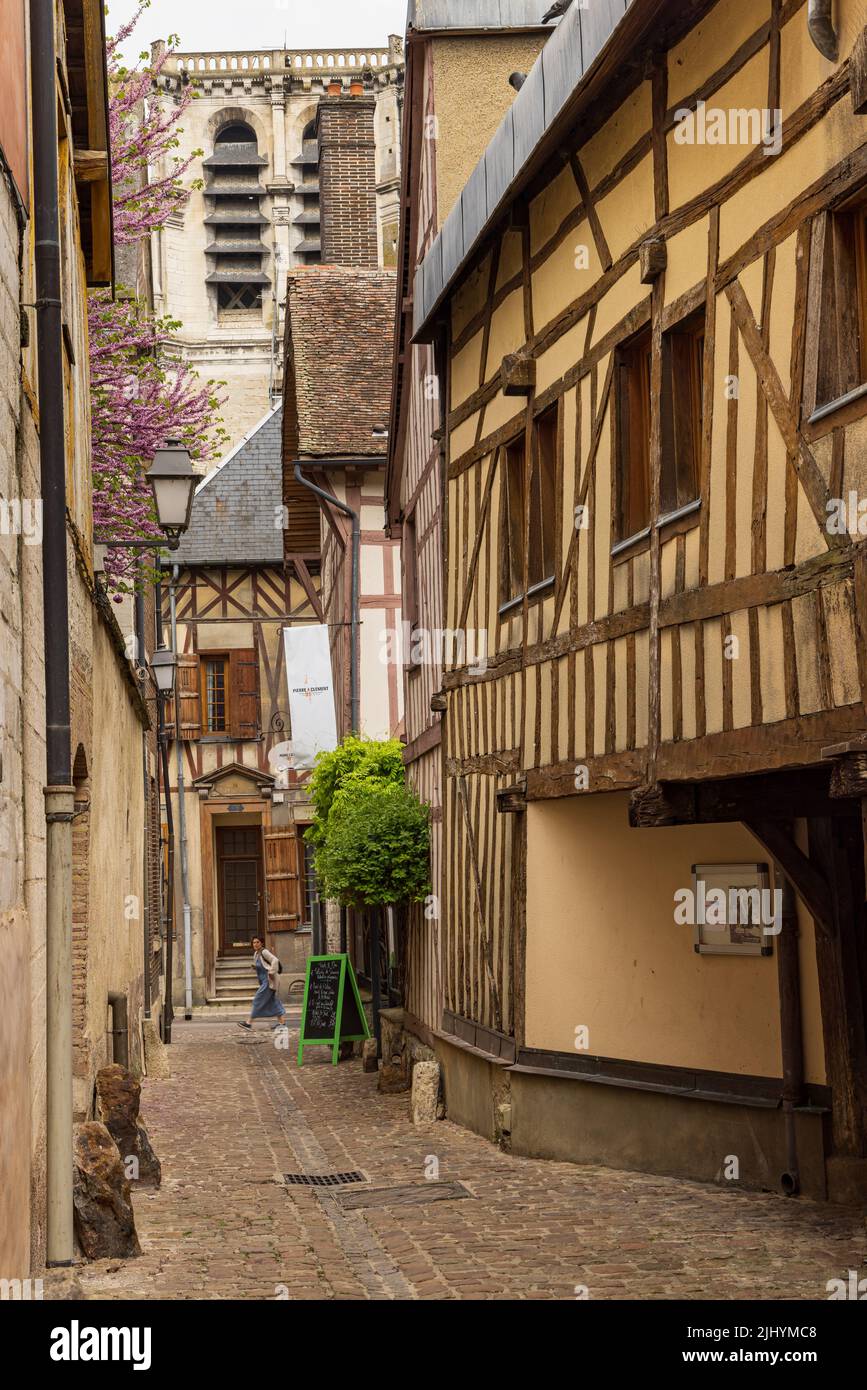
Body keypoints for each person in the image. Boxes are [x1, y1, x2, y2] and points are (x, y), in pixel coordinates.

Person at [237, 936, 287, 1032]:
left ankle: (248, 1023)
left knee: (257, 999)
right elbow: (264, 965)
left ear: (261, 943)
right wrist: (256, 967)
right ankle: (282, 1024)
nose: (255, 944)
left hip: (269, 981)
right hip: (264, 981)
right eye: (254, 942)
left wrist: (271, 972)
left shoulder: (264, 952)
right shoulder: (256, 954)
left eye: (257, 942)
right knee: (273, 1002)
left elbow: (275, 960)